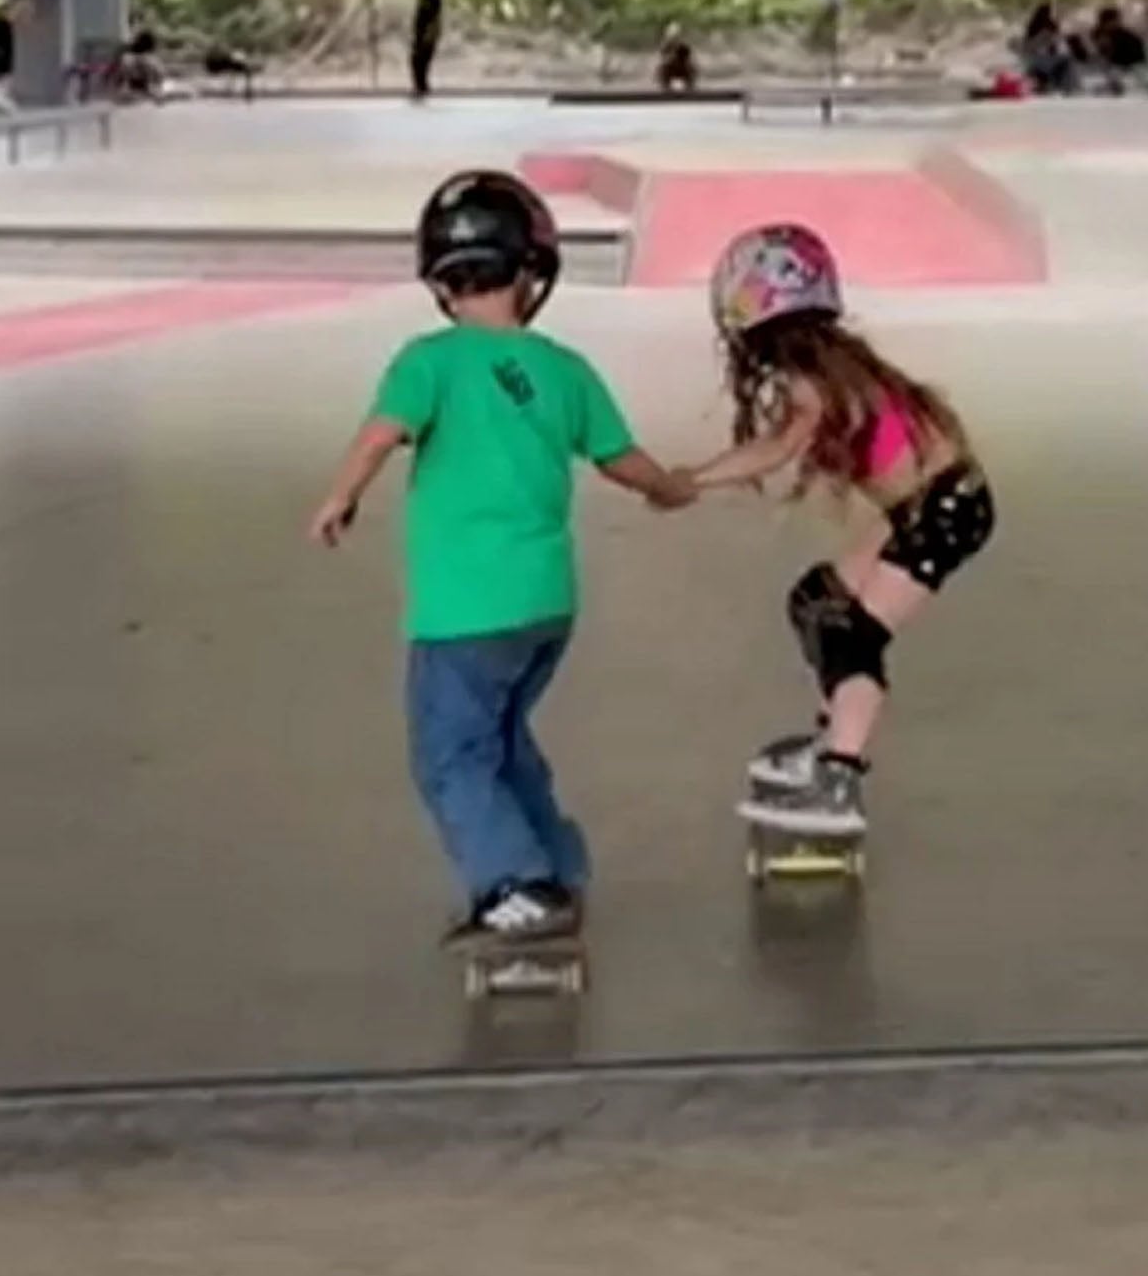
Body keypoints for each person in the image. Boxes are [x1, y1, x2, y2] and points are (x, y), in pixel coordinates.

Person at [308, 171, 696, 950]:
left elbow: (380, 434)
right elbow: (625, 461)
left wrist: (339, 496)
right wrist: (670, 489)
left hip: (463, 612)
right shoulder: (563, 370)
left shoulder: (428, 362)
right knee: (504, 739)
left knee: (450, 754)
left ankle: (517, 884)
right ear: (531, 273)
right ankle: (557, 867)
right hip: (546, 607)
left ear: (441, 283)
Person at [676, 224, 995, 838]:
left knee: (852, 639)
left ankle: (839, 778)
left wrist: (694, 480)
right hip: (929, 504)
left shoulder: (812, 378)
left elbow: (775, 448)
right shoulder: (833, 361)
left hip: (945, 509)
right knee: (819, 602)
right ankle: (828, 745)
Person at [409, 0, 447, 98]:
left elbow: (434, 16)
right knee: (417, 60)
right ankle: (421, 86)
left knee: (421, 60)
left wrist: (430, 34)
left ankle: (421, 87)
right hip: (420, 32)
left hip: (428, 32)